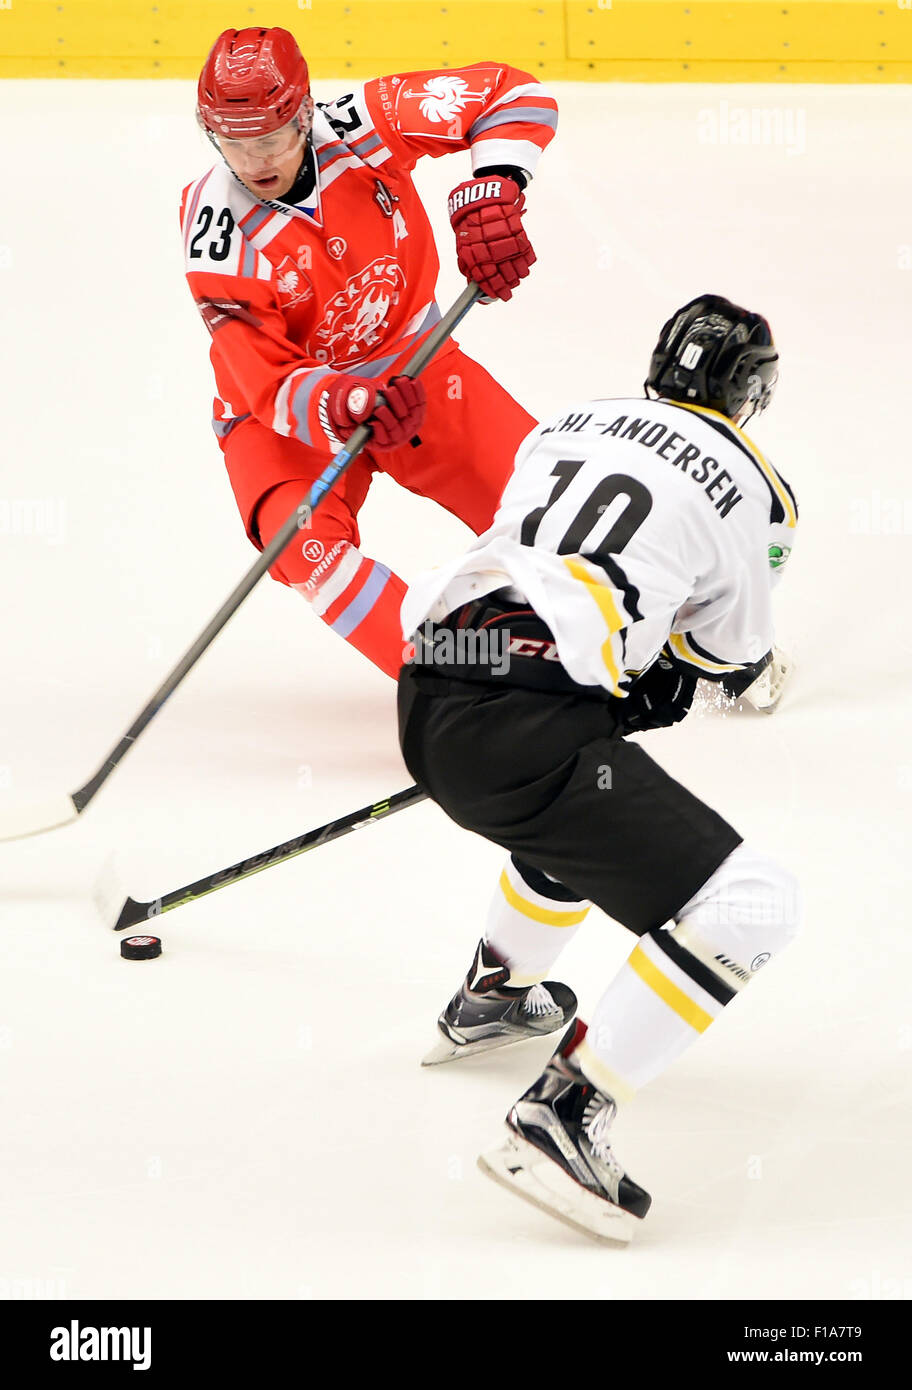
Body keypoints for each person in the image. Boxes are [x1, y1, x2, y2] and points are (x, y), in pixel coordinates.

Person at [397, 294, 801, 1242]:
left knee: (580, 808)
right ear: (752, 393)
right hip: (523, 728)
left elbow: (536, 557)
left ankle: (494, 994)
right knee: (754, 904)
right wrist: (665, 673)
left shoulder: (565, 424)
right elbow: (727, 653)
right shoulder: (757, 483)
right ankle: (565, 1114)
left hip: (432, 685)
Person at [181, 26, 557, 677]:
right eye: (232, 144)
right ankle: (448, 676)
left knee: (555, 504)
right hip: (288, 421)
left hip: (421, 369)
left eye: (269, 137)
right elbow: (265, 382)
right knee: (303, 548)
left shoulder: (362, 124)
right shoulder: (215, 228)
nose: (253, 162)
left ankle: (656, 627)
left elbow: (512, 94)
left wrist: (492, 189)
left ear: (304, 114)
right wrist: (347, 401)